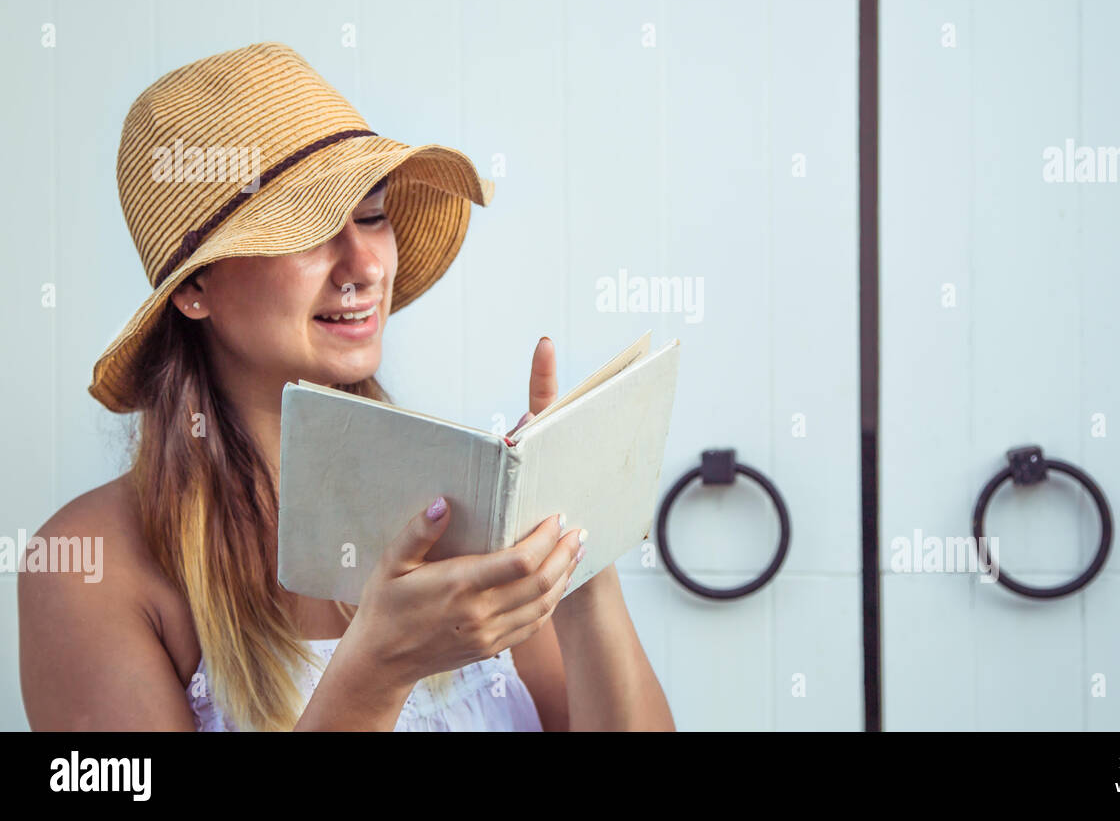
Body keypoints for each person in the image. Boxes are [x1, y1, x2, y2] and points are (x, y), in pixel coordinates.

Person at [18, 41, 674, 732]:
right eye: (308, 230)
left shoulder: (467, 498)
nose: (363, 264)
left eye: (371, 216)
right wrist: (377, 670)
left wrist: (582, 570)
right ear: (194, 289)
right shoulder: (87, 568)